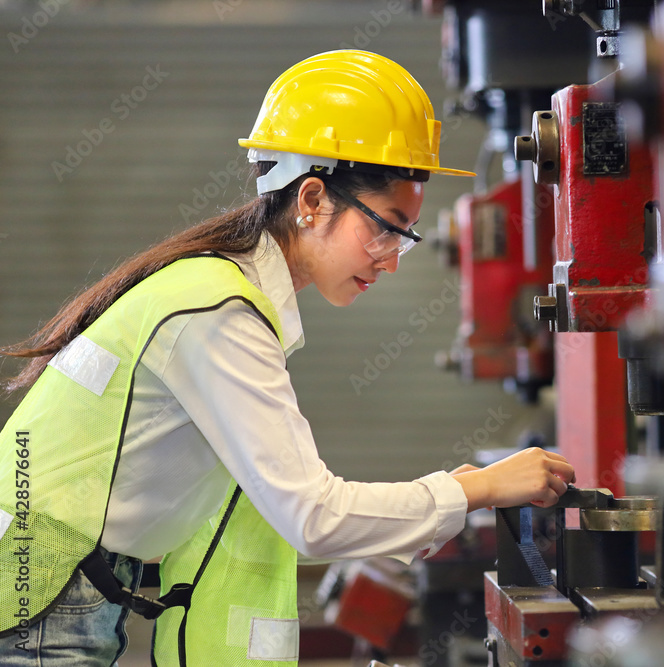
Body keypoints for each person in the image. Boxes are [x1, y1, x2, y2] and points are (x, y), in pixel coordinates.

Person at [0, 50, 575, 666]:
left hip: (55, 580)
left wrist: (459, 493)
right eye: (388, 227)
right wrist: (480, 489)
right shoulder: (218, 312)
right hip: (46, 592)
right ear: (311, 198)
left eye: (406, 236)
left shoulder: (219, 293)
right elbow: (313, 516)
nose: (392, 257)